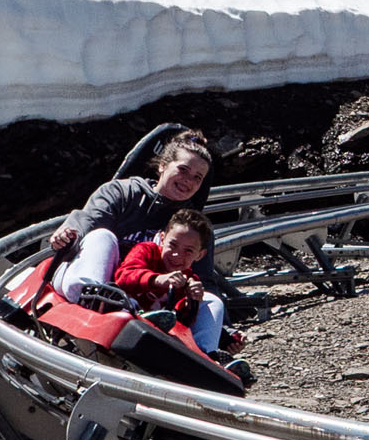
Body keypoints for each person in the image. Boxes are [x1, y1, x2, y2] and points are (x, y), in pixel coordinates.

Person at [48, 130, 232, 348]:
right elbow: (87, 222)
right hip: (85, 280)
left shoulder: (192, 226)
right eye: (183, 170)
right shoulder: (122, 192)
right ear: (163, 166)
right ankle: (96, 303)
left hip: (141, 300)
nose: (188, 181)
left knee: (212, 301)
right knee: (103, 236)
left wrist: (225, 330)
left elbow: (204, 280)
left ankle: (203, 355)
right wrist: (69, 234)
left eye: (197, 178)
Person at [108, 208, 236, 353]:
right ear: (162, 239)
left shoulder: (189, 279)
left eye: (188, 251)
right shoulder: (146, 251)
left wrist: (191, 303)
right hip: (124, 317)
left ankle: (204, 354)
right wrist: (157, 279)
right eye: (172, 245)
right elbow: (123, 277)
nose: (177, 255)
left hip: (159, 333)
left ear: (199, 255)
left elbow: (184, 320)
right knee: (129, 302)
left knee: (212, 302)